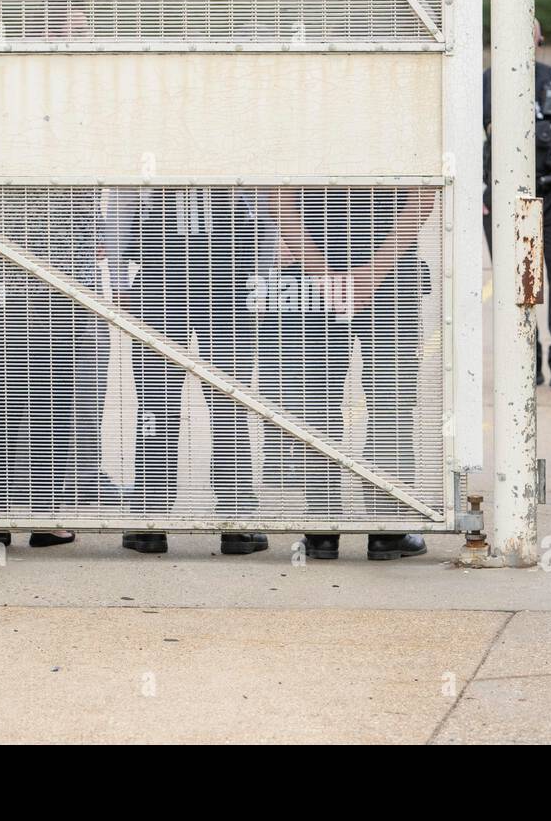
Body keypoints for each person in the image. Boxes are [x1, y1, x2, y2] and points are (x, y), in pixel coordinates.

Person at [260, 184, 433, 561]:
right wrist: (374, 271)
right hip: (388, 271)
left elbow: (278, 193)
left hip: (317, 271)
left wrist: (321, 272)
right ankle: (387, 528)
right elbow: (423, 193)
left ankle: (322, 528)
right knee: (390, 401)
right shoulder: (401, 121)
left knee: (315, 401)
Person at [111, 187, 271, 556]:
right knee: (164, 403)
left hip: (210, 270)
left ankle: (226, 517)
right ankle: (162, 517)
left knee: (222, 399)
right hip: (180, 270)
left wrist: (259, 276)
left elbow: (261, 207)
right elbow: (124, 196)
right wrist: (121, 278)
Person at [0, 186, 113, 549]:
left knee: (4, 403)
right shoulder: (66, 146)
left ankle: (0, 517)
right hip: (47, 281)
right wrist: (97, 232)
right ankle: (38, 516)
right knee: (46, 405)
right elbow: (87, 208)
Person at [483, 18, 551, 391]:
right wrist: (474, 197)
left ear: (539, 40)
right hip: (504, 198)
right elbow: (462, 142)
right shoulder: (484, 85)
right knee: (518, 286)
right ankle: (523, 365)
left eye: (528, 36)